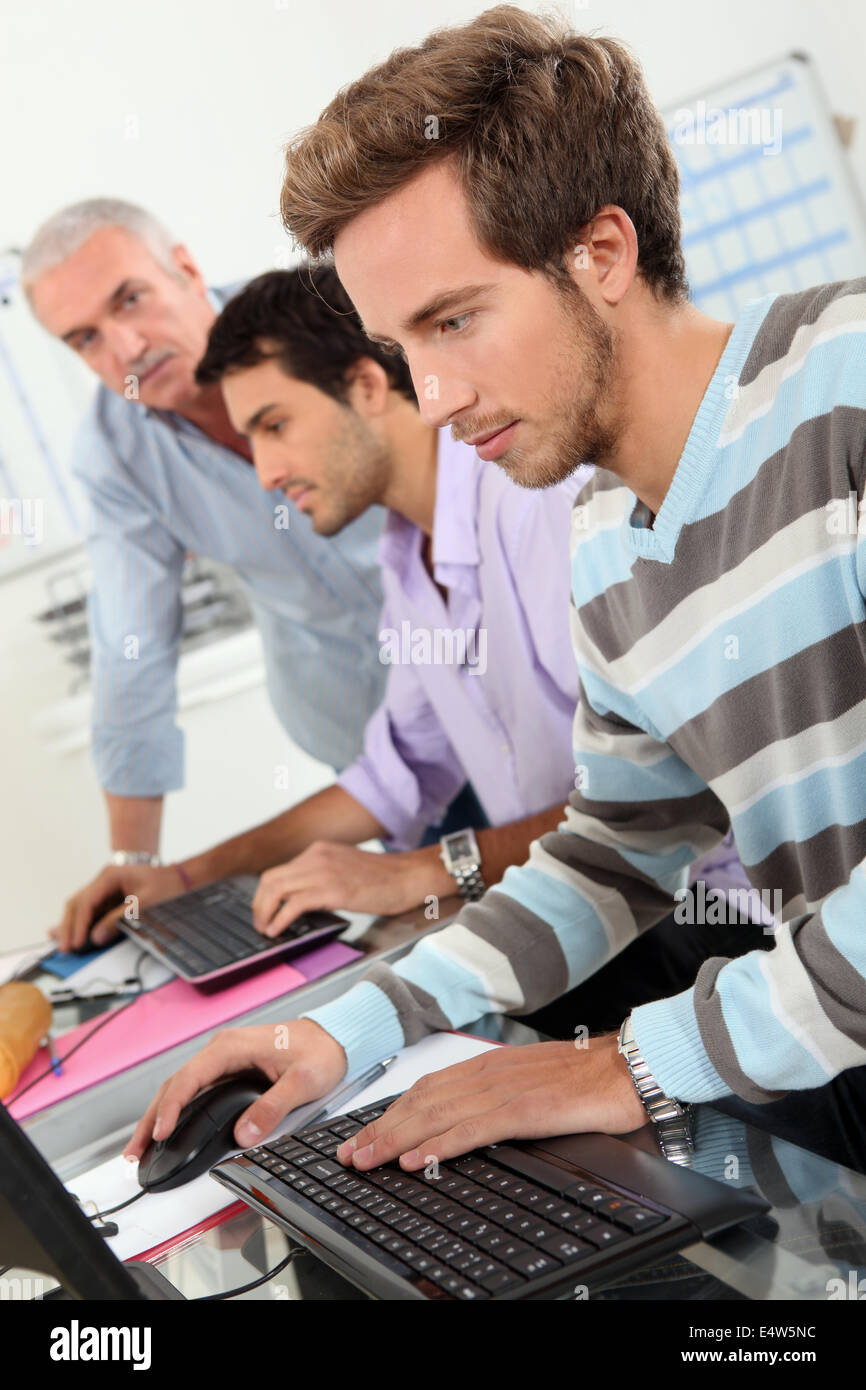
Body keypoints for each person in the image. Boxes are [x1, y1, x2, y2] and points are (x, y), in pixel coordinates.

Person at [132, 7, 866, 1176]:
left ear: (601, 254)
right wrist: (349, 1025)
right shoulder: (605, 532)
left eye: (454, 321)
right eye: (401, 345)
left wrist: (623, 1062)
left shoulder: (846, 387)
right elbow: (617, 852)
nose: (428, 397)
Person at [55, 262, 594, 952]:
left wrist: (422, 872)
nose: (266, 474)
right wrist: (186, 875)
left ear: (367, 386)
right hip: (576, 908)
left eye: (275, 425)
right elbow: (393, 774)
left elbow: (660, 798)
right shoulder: (407, 564)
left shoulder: (538, 506)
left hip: (692, 919)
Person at [22, 199, 387, 874]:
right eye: (85, 339)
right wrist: (135, 861)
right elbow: (132, 649)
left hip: (499, 662)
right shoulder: (114, 457)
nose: (125, 348)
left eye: (131, 300)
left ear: (185, 269)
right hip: (359, 729)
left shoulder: (325, 316)